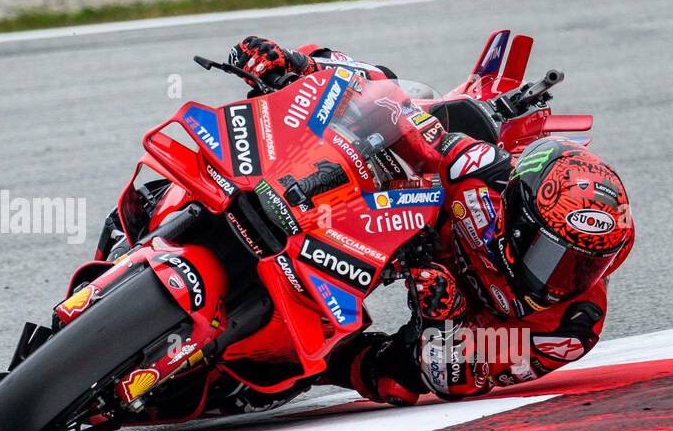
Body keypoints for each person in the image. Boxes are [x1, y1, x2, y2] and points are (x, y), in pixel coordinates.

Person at [227, 36, 636, 405]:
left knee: (394, 381)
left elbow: (466, 378)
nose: (567, 278)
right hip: (395, 223)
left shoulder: (569, 329)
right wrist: (301, 66)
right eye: (553, 255)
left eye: (587, 265)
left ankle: (314, 364)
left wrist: (445, 318)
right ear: (518, 215)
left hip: (448, 322)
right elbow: (398, 108)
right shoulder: (481, 171)